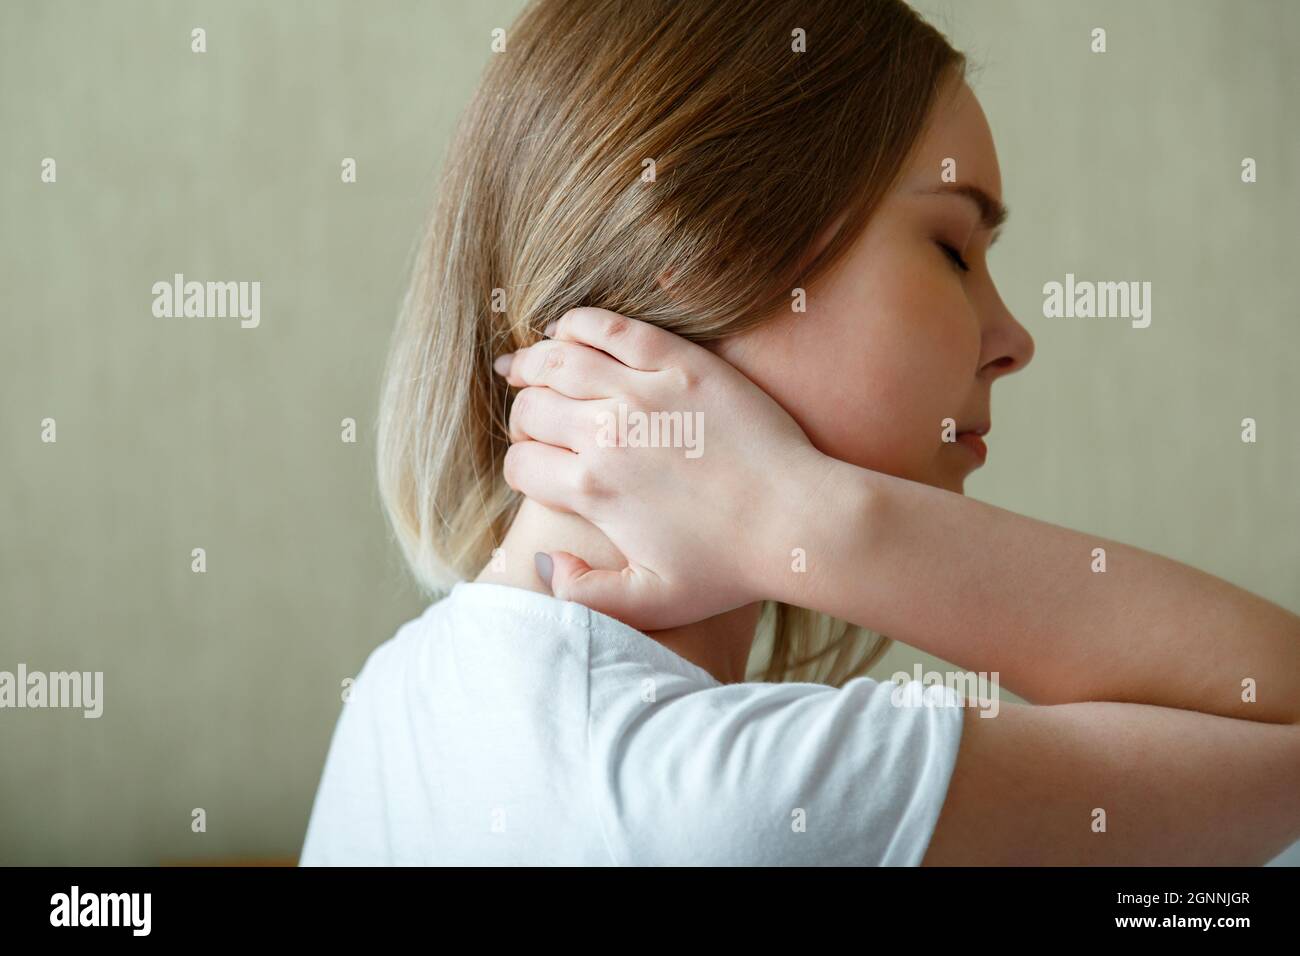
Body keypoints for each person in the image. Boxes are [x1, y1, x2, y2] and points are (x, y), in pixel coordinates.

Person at [300, 0, 1300, 865]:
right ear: (698, 246)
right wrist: (816, 520)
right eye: (952, 247)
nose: (1012, 338)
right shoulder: (741, 795)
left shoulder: (400, 692)